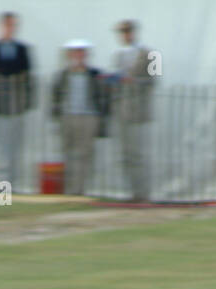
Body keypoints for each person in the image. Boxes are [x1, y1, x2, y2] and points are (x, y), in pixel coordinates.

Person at [0, 12, 35, 191]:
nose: (10, 29)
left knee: (15, 148)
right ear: (1, 26)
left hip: (16, 106)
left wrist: (26, 103)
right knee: (0, 149)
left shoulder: (22, 49)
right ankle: (2, 187)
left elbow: (28, 78)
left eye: (13, 26)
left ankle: (13, 185)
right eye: (7, 25)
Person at [50, 40, 108, 196]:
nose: (79, 56)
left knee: (85, 154)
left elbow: (102, 95)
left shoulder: (94, 74)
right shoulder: (63, 75)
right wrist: (57, 116)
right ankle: (68, 189)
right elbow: (55, 96)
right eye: (75, 52)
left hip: (88, 117)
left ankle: (79, 189)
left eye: (81, 52)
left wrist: (100, 117)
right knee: (68, 153)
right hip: (68, 116)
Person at [109, 19, 154, 202]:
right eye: (122, 32)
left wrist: (133, 81)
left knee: (139, 154)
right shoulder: (117, 55)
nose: (125, 35)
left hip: (140, 111)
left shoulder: (151, 53)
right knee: (126, 154)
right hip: (122, 110)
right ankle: (131, 192)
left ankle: (143, 192)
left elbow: (154, 81)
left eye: (127, 31)